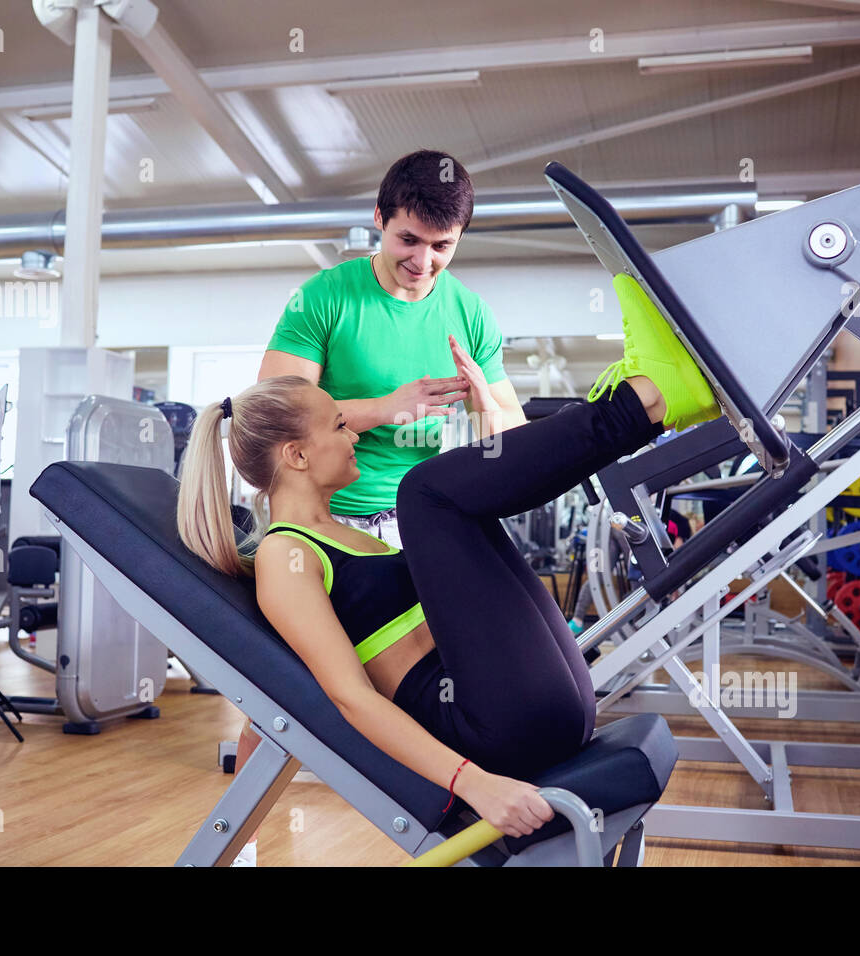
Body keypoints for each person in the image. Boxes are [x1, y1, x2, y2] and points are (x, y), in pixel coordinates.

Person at [175, 282, 721, 848]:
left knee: (454, 504)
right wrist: (477, 785)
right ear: (296, 455)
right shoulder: (284, 554)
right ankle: (650, 398)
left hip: (544, 705)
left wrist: (490, 412)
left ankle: (653, 399)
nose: (356, 433)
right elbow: (350, 697)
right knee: (424, 492)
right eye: (339, 424)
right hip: (491, 730)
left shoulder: (338, 535)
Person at [229, 149, 526, 863]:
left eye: (442, 247)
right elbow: (273, 417)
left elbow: (512, 436)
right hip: (330, 518)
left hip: (420, 523)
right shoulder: (326, 298)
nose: (423, 261)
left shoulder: (470, 312)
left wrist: (487, 405)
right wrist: (386, 407)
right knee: (280, 697)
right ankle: (243, 840)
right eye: (408, 240)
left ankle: (464, 810)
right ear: (379, 222)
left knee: (435, 681)